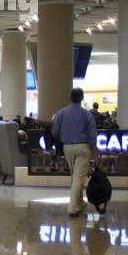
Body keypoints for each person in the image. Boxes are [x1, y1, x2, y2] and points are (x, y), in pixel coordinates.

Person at [51, 87, 98, 218]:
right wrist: (95, 151)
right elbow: (92, 134)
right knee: (78, 177)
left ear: (70, 98)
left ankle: (79, 204)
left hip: (67, 148)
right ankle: (72, 207)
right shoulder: (86, 114)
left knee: (75, 176)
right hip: (83, 148)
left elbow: (54, 132)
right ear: (82, 98)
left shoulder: (61, 113)